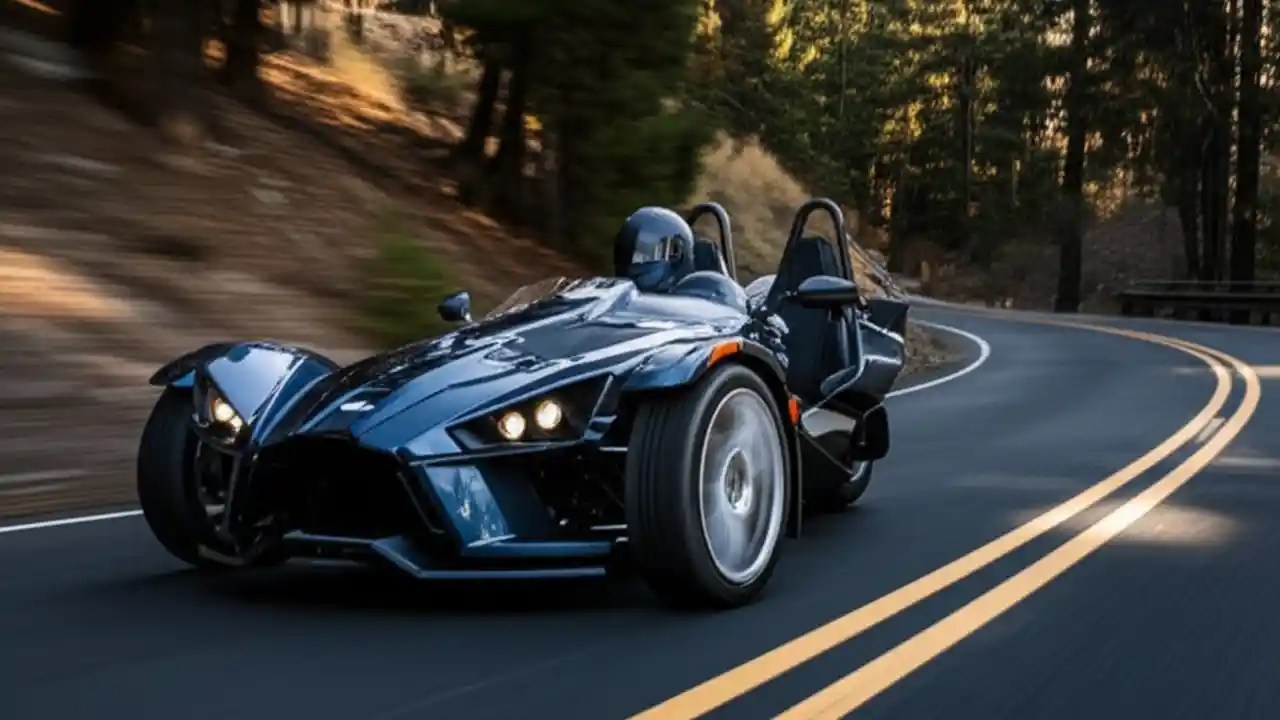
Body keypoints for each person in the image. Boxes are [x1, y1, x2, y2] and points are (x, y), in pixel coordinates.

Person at [613, 207, 695, 293]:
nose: (634, 265)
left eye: (645, 255)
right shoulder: (609, 297)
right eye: (628, 252)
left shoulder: (695, 304)